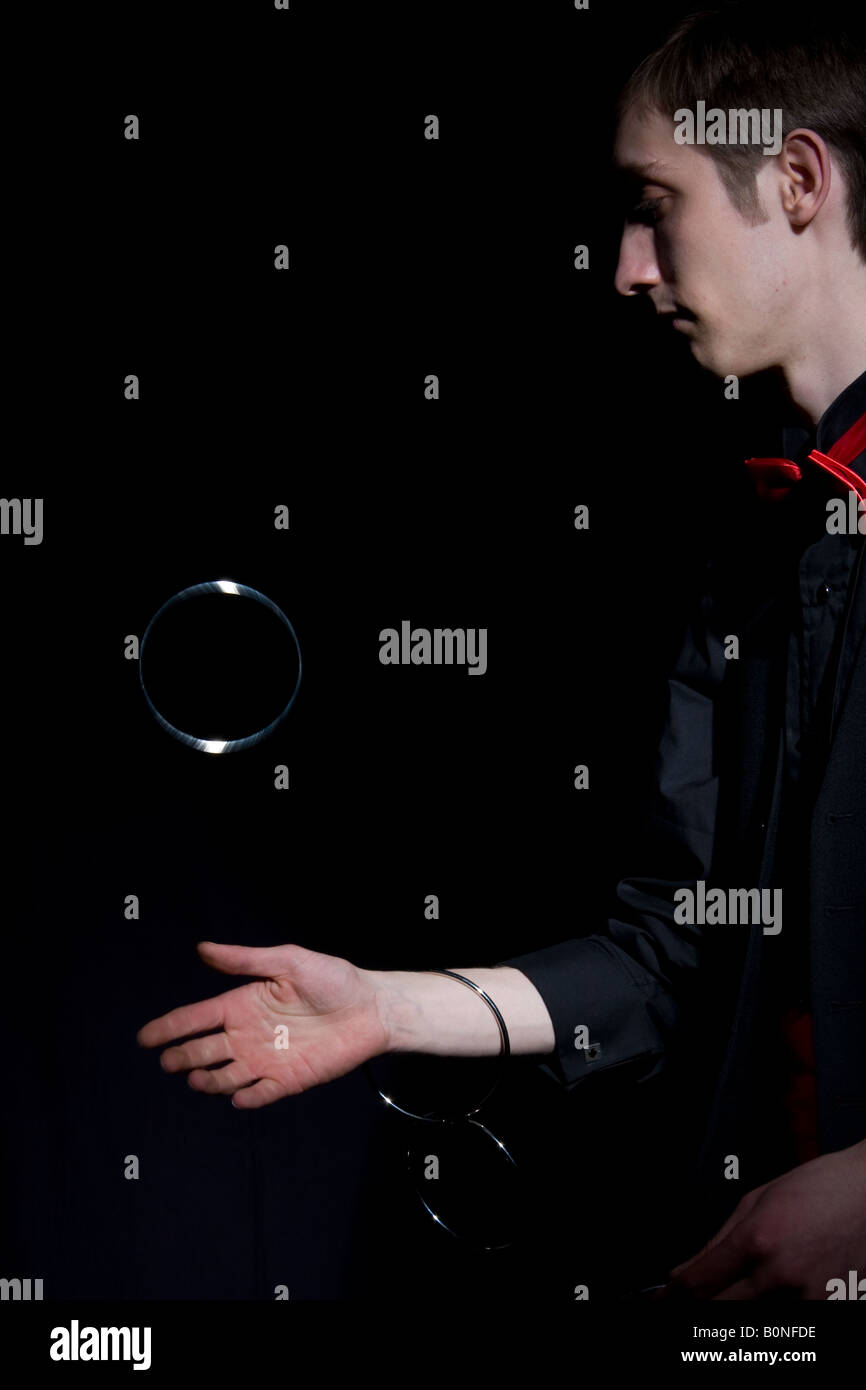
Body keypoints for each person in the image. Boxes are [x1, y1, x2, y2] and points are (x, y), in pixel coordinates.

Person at [138, 3, 866, 1299]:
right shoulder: (754, 550)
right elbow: (671, 949)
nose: (627, 268)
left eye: (657, 204)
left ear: (797, 181)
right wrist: (384, 1004)